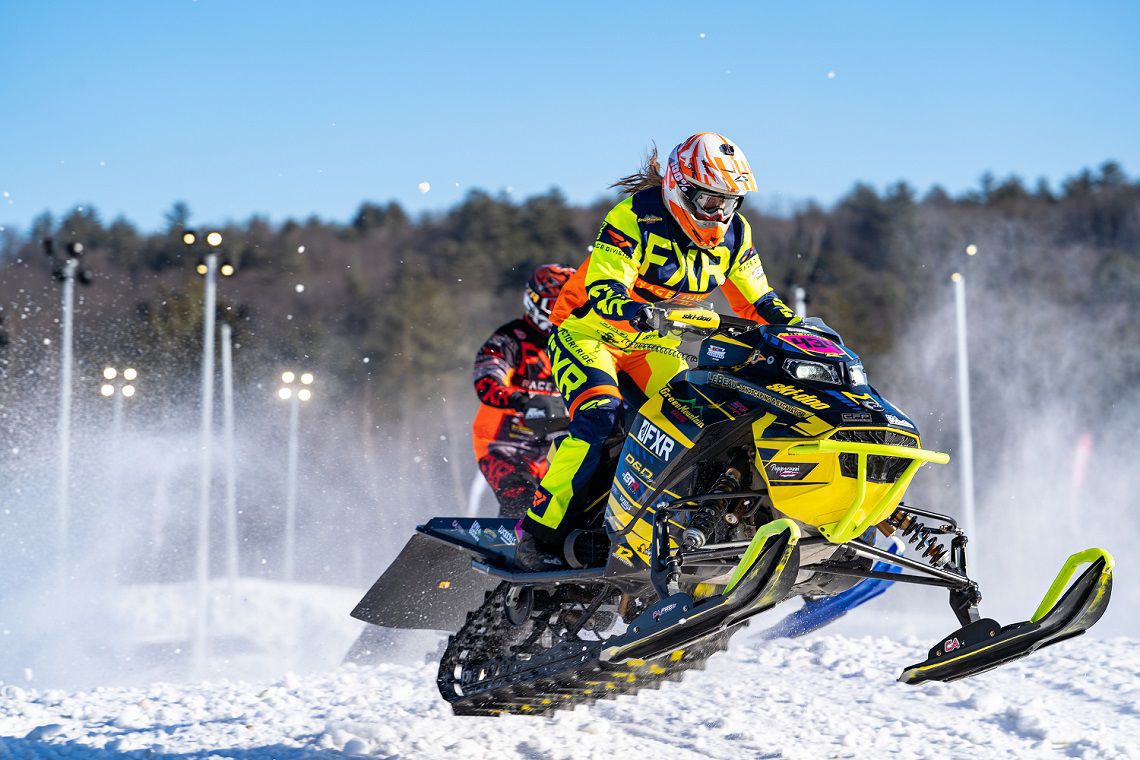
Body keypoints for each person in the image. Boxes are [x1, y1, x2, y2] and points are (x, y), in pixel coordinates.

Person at [518, 132, 799, 566]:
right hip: (590, 329)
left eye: (731, 202)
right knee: (600, 415)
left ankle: (680, 528)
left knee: (698, 419)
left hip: (651, 341)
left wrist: (802, 334)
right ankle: (540, 533)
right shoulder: (635, 216)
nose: (721, 214)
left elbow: (758, 300)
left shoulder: (736, 236)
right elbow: (605, 284)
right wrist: (634, 310)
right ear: (680, 189)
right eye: (710, 202)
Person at [472, 263, 576, 518]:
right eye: (556, 306)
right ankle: (510, 550)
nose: (563, 313)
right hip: (504, 446)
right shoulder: (510, 339)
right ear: (535, 302)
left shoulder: (578, 345)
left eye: (573, 306)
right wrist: (524, 401)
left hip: (558, 450)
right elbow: (486, 379)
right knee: (523, 499)